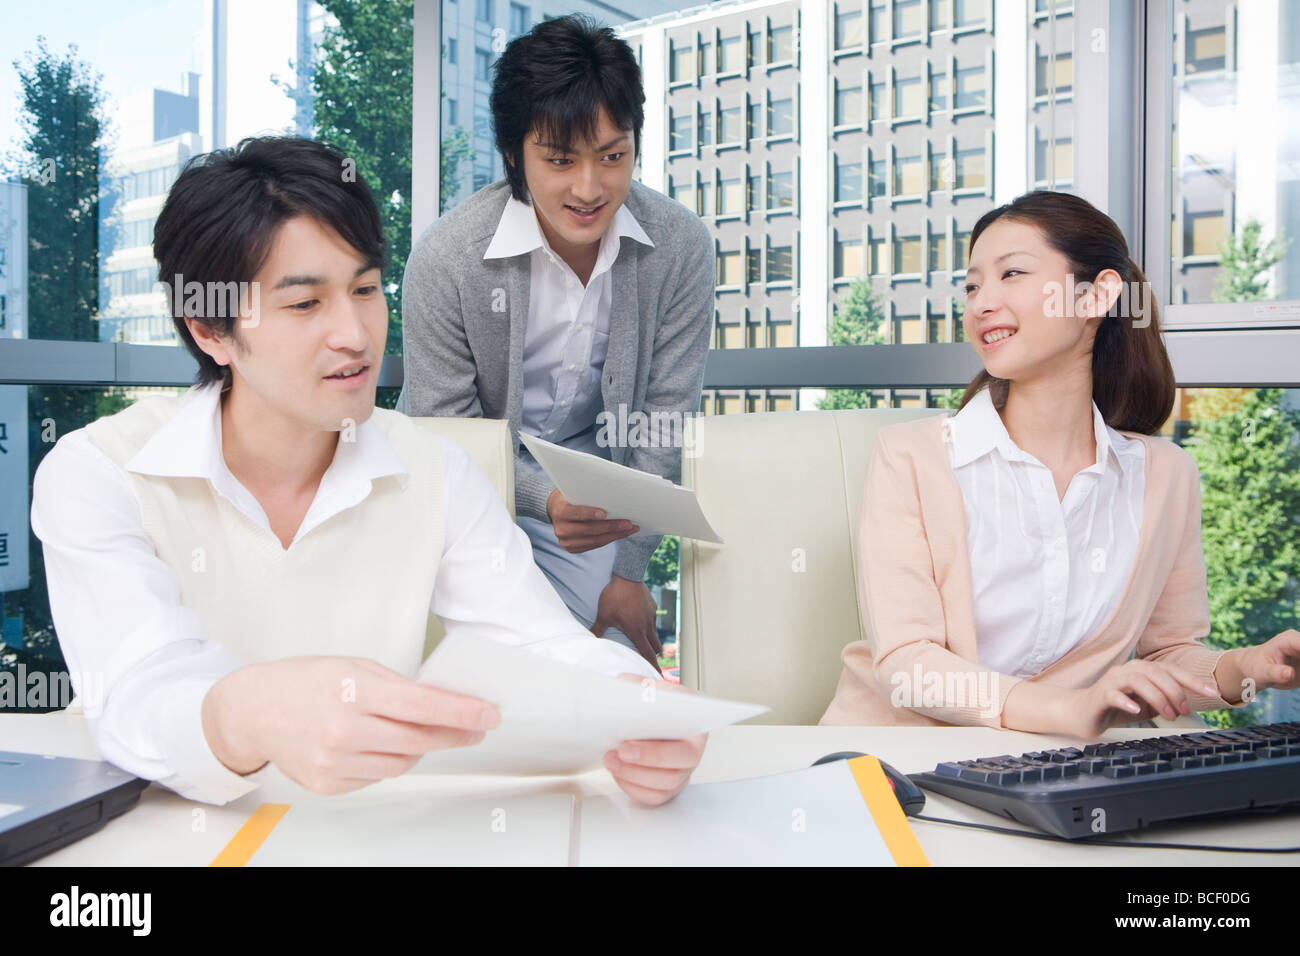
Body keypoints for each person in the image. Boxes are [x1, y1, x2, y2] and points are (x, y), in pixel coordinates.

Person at [30, 135, 705, 807]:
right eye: (304, 304)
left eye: (365, 289)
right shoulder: (101, 475)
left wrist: (636, 707)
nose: (355, 334)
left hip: (372, 834)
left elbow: (540, 644)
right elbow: (136, 689)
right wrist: (250, 711)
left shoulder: (436, 470)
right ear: (209, 330)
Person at [820, 190, 1300, 733]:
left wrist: (1246, 669)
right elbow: (908, 663)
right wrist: (1070, 709)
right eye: (973, 285)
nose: (981, 303)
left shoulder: (1165, 475)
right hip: (899, 760)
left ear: (1097, 297)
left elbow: (1168, 653)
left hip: (1050, 768)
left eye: (1012, 274)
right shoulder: (911, 456)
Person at [396, 15, 715, 672]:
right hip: (467, 492)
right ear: (514, 153)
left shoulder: (680, 248)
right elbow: (445, 434)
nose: (589, 188)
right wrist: (543, 499)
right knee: (498, 679)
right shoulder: (449, 259)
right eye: (560, 159)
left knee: (620, 678)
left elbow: (663, 420)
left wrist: (630, 572)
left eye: (613, 155)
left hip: (598, 511)